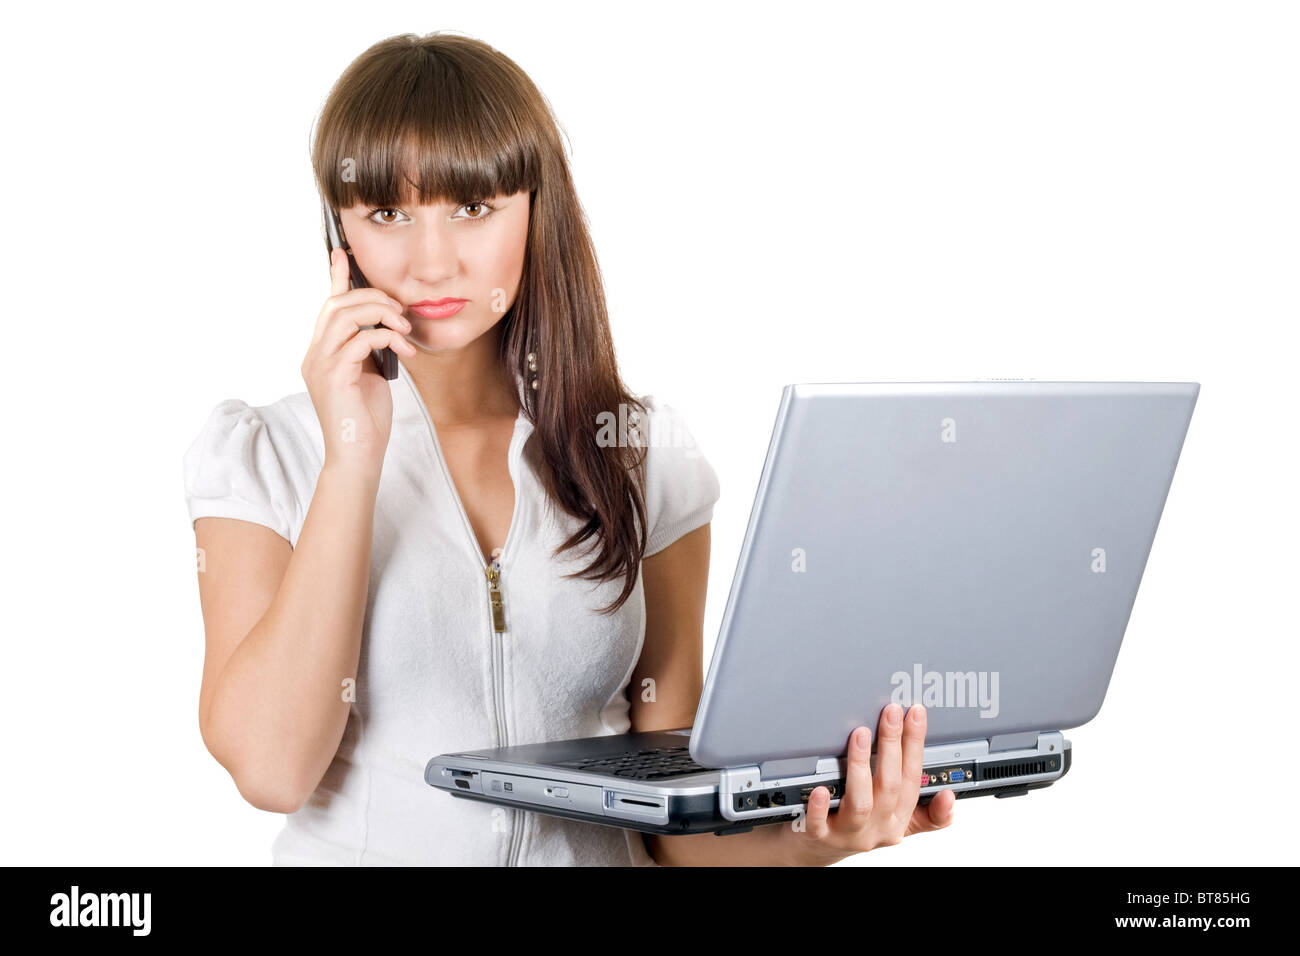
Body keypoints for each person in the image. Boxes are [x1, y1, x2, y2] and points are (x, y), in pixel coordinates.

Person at [183, 31, 955, 866]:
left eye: (472, 209)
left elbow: (673, 828)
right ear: (341, 232)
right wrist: (352, 454)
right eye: (388, 213)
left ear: (533, 210)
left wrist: (824, 836)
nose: (432, 261)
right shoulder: (266, 456)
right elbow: (271, 769)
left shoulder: (640, 459)